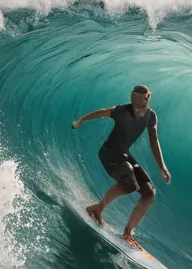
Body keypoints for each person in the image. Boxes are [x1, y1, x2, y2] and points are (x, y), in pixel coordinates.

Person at [72, 85, 171, 246]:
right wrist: (81, 120)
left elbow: (153, 140)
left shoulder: (151, 117)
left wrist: (162, 166)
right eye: (133, 96)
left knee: (149, 194)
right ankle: (97, 209)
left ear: (147, 98)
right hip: (109, 153)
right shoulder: (122, 111)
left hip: (124, 154)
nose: (135, 99)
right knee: (131, 184)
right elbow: (104, 111)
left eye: (140, 97)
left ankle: (128, 233)